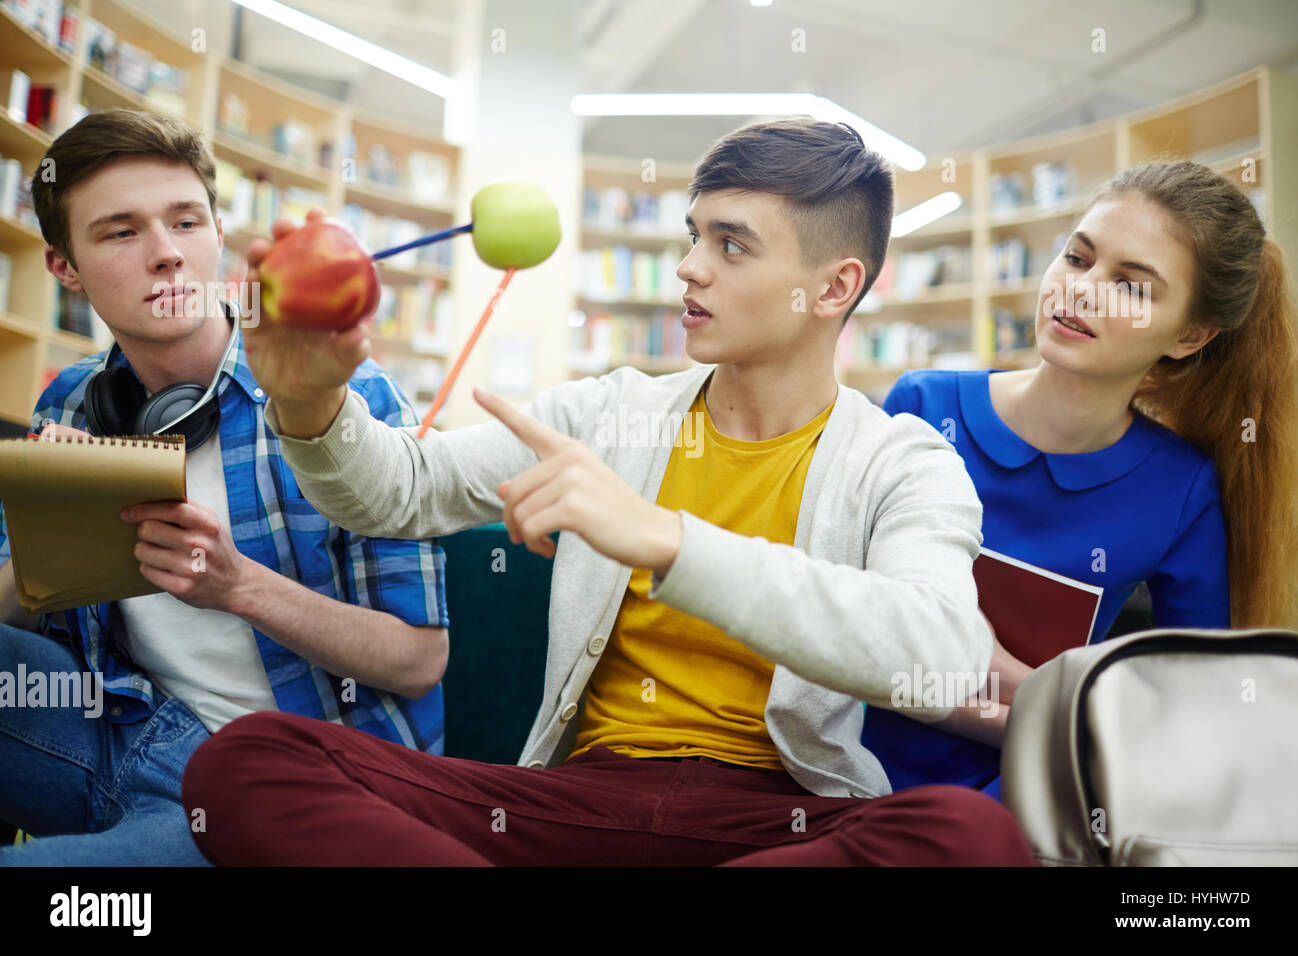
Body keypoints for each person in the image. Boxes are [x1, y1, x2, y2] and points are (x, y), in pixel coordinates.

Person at [181, 118, 1036, 866]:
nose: (690, 270)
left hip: (783, 821)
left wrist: (667, 541)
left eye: (732, 245)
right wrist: (307, 398)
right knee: (247, 762)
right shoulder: (610, 413)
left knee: (970, 838)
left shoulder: (903, 459)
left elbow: (939, 649)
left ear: (836, 287)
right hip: (568, 807)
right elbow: (399, 492)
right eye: (693, 236)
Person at [0, 108, 450, 865]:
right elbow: (11, 614)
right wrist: (54, 548)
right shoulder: (73, 401)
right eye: (121, 232)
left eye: (186, 221)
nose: (167, 255)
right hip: (125, 728)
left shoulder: (348, 399)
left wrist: (238, 586)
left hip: (284, 783)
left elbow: (417, 659)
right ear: (64, 267)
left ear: (218, 234)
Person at [861, 159, 1298, 797]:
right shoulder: (922, 406)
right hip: (844, 773)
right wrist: (1053, 705)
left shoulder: (1182, 490)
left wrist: (1009, 691)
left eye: (1132, 285)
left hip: (1031, 811)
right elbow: (857, 631)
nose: (1082, 290)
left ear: (1190, 335)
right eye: (1077, 258)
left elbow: (1185, 710)